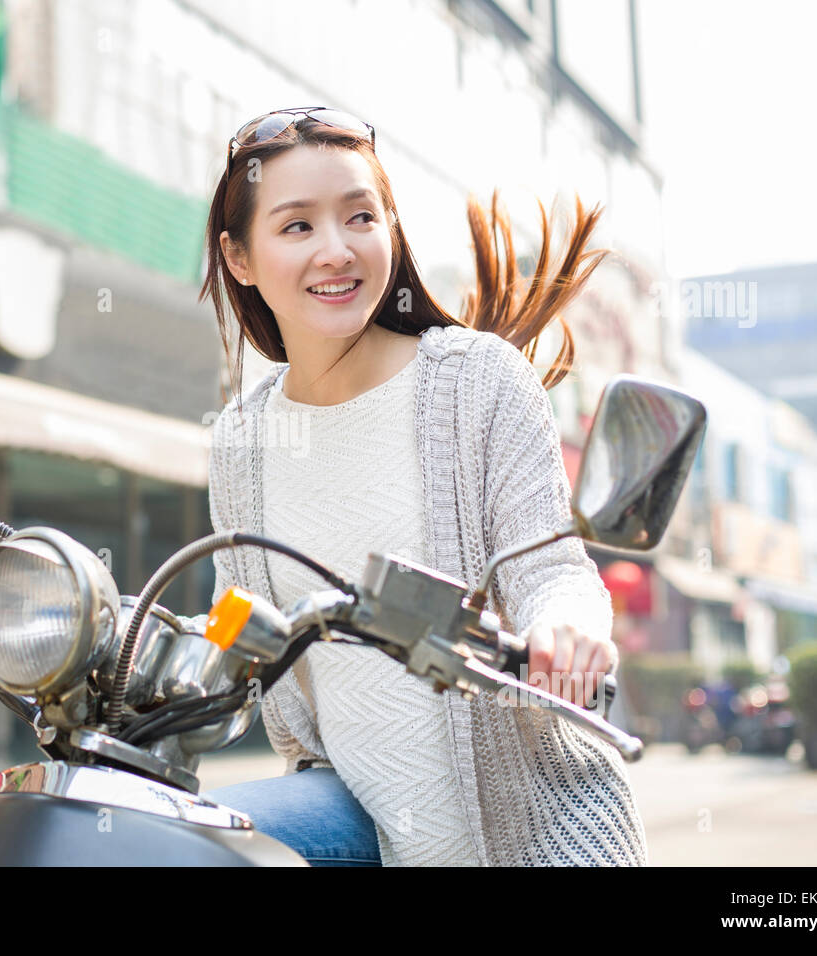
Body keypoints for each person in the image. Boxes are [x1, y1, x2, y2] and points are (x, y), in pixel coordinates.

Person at [189, 107, 648, 866]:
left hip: (522, 830)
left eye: (359, 216)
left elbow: (550, 568)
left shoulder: (476, 379)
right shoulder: (242, 438)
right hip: (352, 821)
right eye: (297, 226)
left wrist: (566, 628)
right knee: (165, 840)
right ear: (239, 257)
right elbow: (238, 628)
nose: (336, 251)